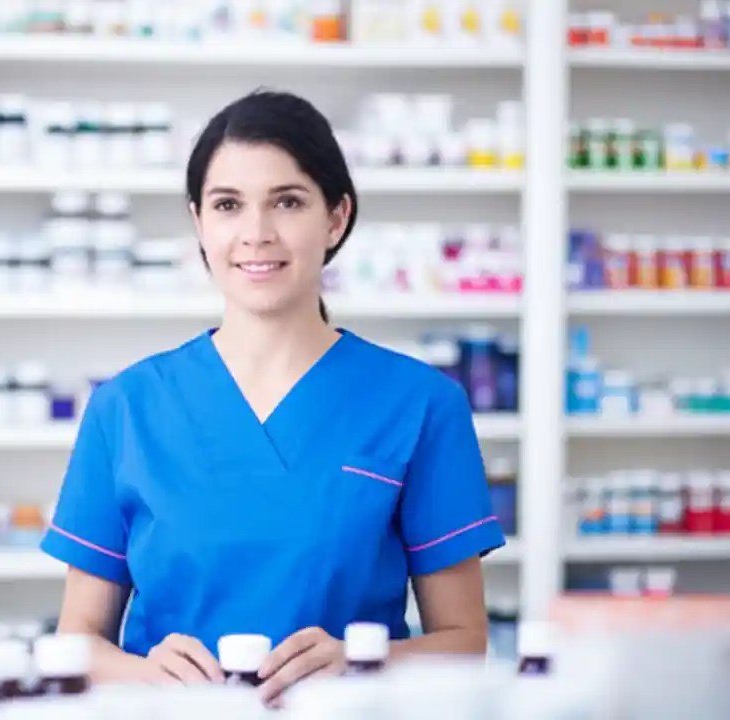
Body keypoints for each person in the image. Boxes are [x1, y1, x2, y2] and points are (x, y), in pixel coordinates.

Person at [39, 90, 504, 705]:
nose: (256, 234)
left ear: (336, 217)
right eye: (228, 205)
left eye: (287, 202)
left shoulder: (420, 404)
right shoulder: (126, 408)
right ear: (199, 222)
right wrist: (148, 671)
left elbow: (464, 640)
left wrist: (366, 663)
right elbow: (79, 642)